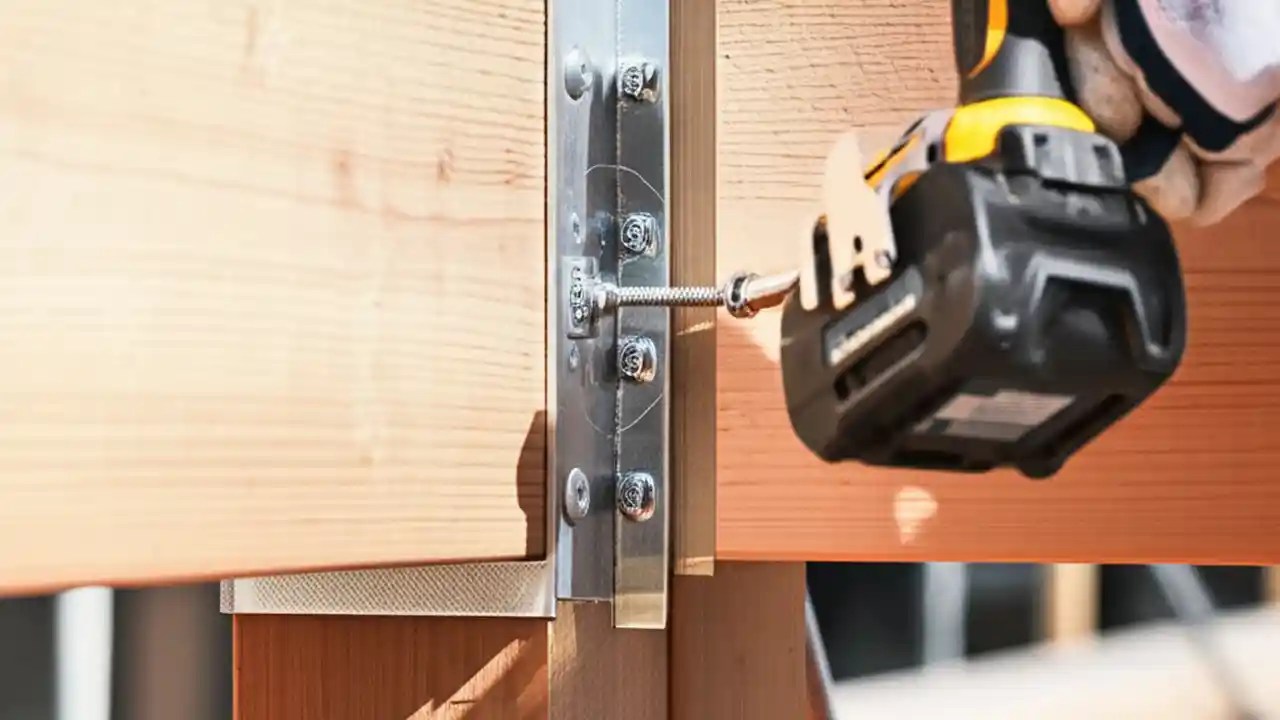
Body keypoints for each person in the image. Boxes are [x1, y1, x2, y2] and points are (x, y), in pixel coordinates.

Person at [1050, 0, 1280, 226]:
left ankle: (1146, 161)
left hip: (1231, 116)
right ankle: (1147, 162)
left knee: (1188, 193)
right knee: (1112, 107)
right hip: (1228, 118)